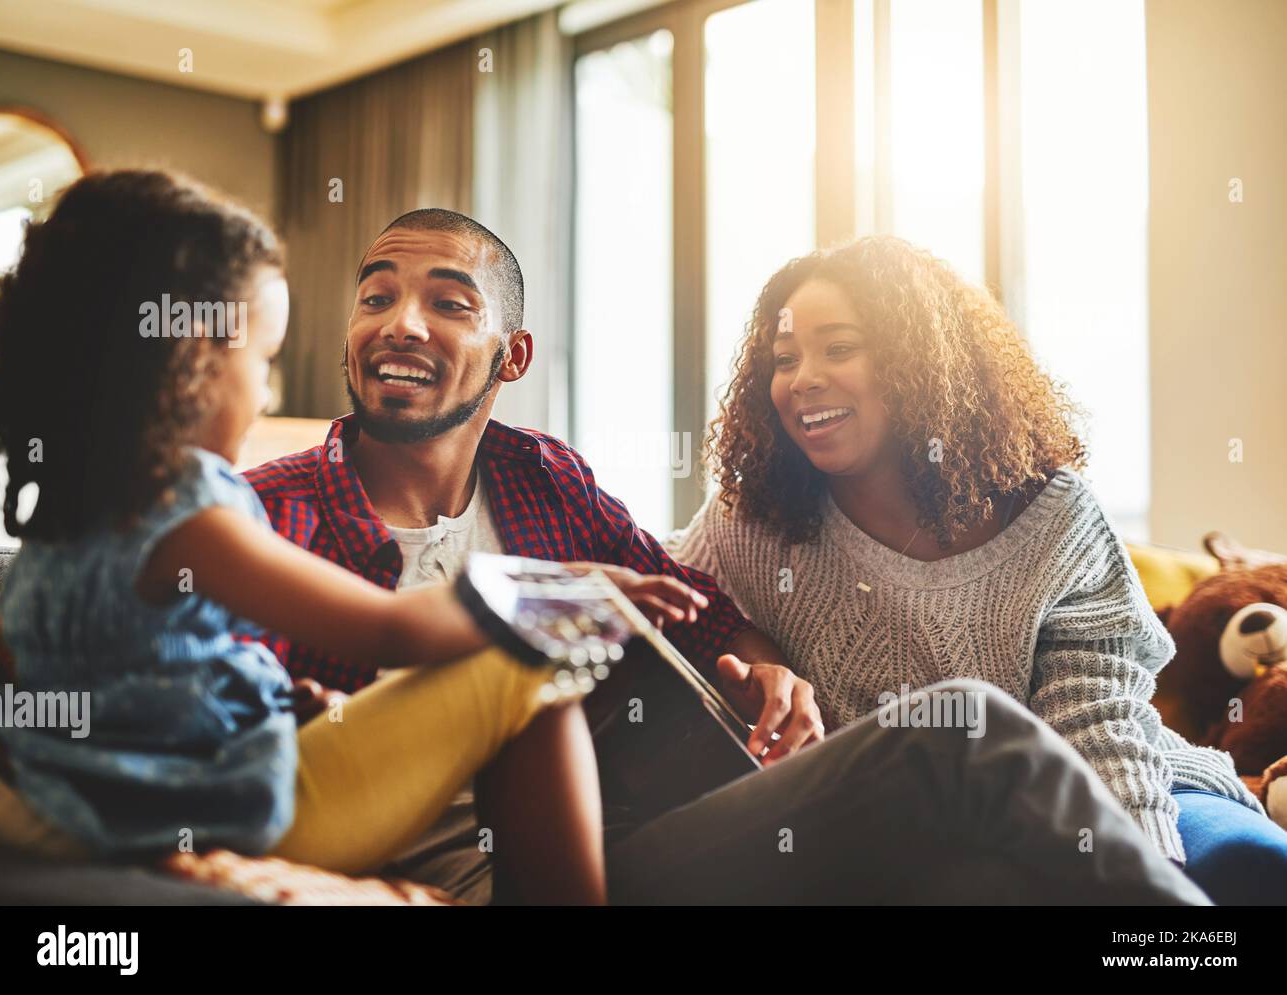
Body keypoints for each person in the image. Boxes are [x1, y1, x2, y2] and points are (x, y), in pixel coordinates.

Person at [243, 209, 1210, 905]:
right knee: (966, 732)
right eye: (376, 296)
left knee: (979, 865)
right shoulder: (263, 515)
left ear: (513, 355)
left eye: (448, 302)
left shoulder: (546, 481)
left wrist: (770, 667)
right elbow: (223, 742)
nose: (400, 322)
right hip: (501, 875)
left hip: (635, 844)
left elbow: (697, 608)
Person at [0, 170, 649, 905]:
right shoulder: (192, 515)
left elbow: (145, 682)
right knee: (531, 668)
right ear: (192, 364)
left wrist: (262, 695)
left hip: (105, 806)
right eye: (262, 361)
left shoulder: (57, 525)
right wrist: (560, 593)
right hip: (243, 816)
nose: (267, 393)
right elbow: (394, 629)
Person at [667, 234, 1287, 904]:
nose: (803, 378)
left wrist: (1150, 889)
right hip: (911, 828)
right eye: (783, 359)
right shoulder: (753, 517)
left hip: (1117, 790)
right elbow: (653, 584)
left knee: (1245, 863)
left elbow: (1101, 728)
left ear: (920, 363)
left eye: (839, 348)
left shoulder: (1051, 517)